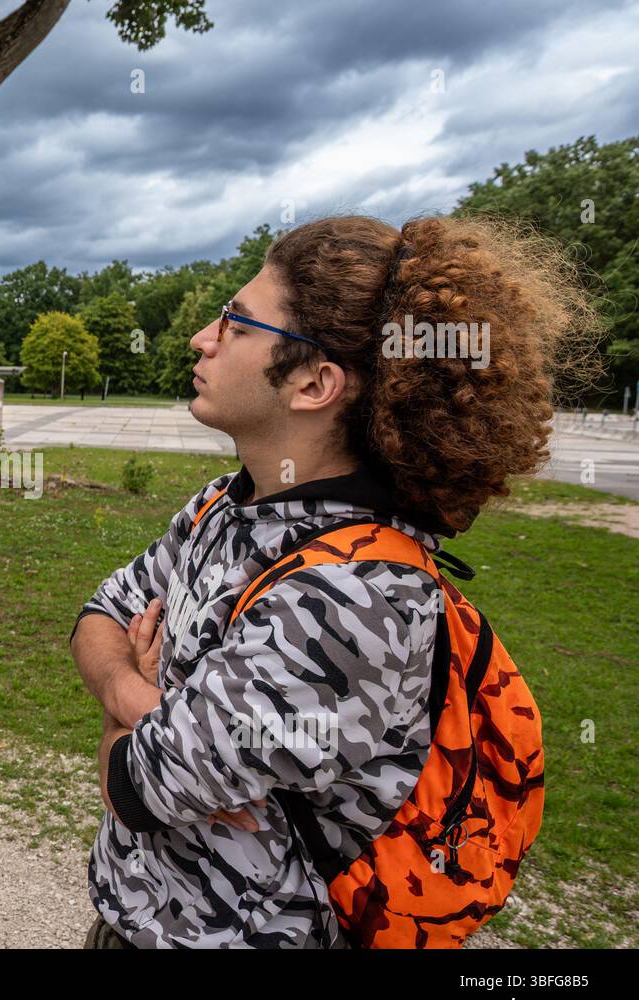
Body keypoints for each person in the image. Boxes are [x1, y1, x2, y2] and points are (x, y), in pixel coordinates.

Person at [70, 213, 600, 949]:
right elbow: (98, 612)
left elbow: (134, 788)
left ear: (316, 383)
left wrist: (119, 719)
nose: (202, 337)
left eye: (237, 325)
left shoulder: (355, 596)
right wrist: (135, 695)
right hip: (137, 920)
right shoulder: (229, 503)